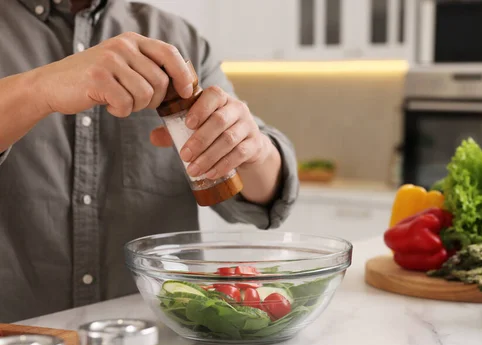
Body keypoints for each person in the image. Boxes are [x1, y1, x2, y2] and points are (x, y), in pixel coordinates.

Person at [0, 0, 299, 322]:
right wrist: (37, 89)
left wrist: (255, 151)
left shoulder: (178, 39)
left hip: (160, 340)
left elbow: (254, 195)